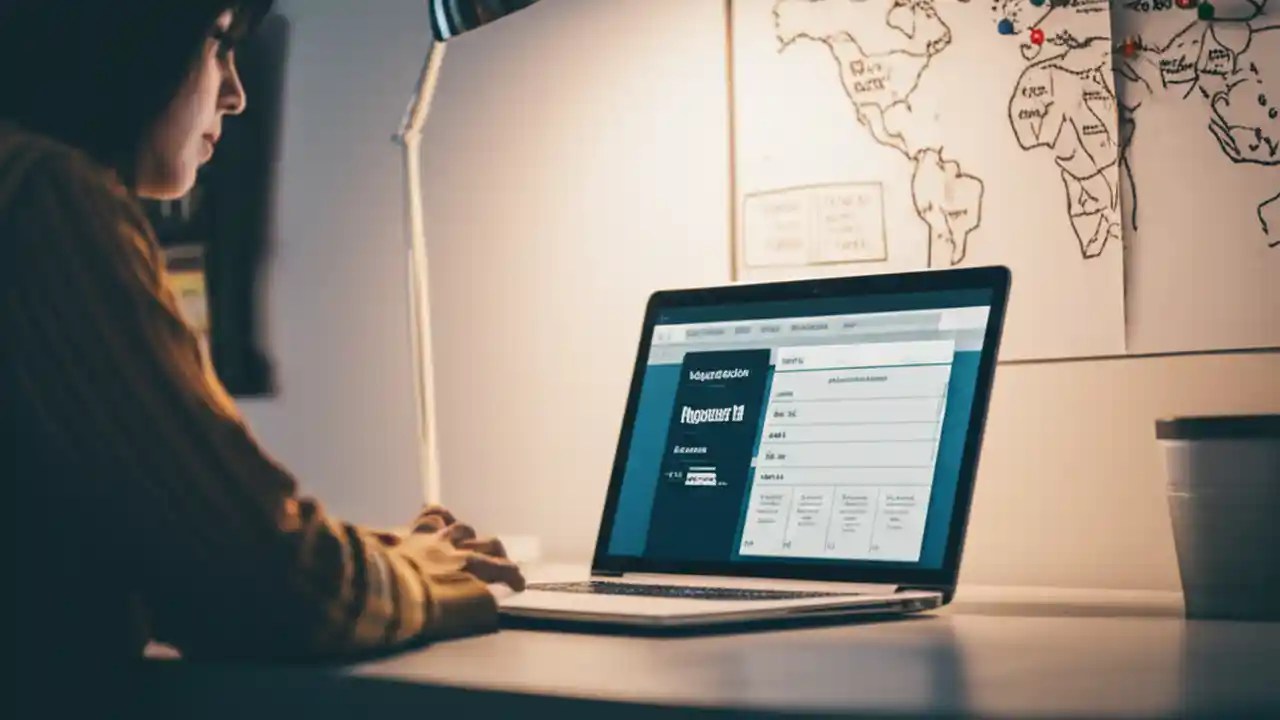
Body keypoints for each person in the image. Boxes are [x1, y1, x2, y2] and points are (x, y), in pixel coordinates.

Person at [2, 0, 525, 701]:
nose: (236, 92)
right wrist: (429, 574)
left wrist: (386, 556)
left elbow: (176, 547)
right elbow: (268, 585)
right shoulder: (41, 202)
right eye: (218, 44)